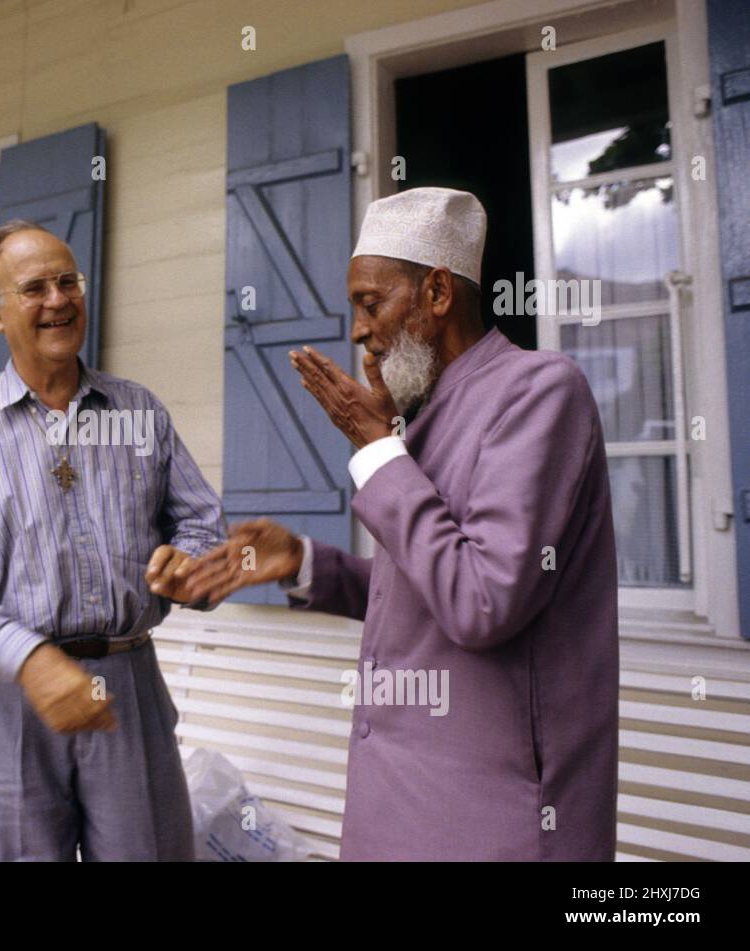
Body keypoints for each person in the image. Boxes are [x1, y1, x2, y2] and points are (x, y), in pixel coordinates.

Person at [181, 187, 620, 860]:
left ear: (438, 293)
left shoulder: (540, 392)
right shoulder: (424, 418)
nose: (357, 329)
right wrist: (303, 561)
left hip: (493, 824)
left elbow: (481, 600)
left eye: (370, 302)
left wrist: (378, 447)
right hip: (402, 809)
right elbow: (423, 592)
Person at [0, 219, 224, 861]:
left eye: (68, 282)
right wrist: (29, 658)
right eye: (35, 288)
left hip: (128, 686)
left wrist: (191, 566)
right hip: (7, 700)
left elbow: (202, 525)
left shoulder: (138, 411)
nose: (58, 300)